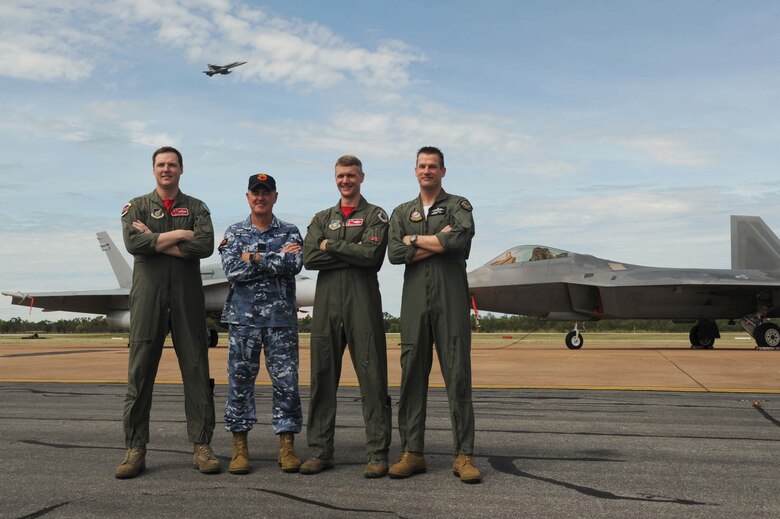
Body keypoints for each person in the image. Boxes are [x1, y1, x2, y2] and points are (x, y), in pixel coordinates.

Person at [115, 146, 220, 479]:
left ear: (181, 169)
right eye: (161, 164)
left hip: (188, 297)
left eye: (172, 164)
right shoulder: (137, 206)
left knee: (196, 370)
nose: (166, 169)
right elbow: (133, 244)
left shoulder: (197, 207)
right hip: (149, 296)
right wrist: (177, 235)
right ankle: (135, 449)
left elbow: (204, 246)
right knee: (140, 372)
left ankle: (202, 445)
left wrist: (156, 240)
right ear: (153, 169)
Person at [386, 146, 481, 484]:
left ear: (443, 171)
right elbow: (395, 252)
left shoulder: (458, 205)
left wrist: (415, 240)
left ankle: (464, 454)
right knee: (411, 372)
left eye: (433, 166)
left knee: (458, 374)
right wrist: (435, 241)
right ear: (415, 171)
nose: (427, 171)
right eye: (422, 166)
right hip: (414, 301)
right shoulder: (401, 211)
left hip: (451, 297)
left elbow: (458, 240)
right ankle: (412, 452)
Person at [300, 155, 392, 477]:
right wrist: (345, 249)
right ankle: (320, 451)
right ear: (335, 178)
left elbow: (372, 256)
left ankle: (378, 453)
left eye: (351, 175)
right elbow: (309, 257)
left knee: (373, 378)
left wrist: (331, 245)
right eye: (340, 175)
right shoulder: (322, 217)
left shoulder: (375, 215)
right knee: (322, 379)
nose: (345, 180)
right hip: (327, 306)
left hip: (362, 303)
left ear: (362, 177)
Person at [219, 173, 304, 475]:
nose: (260, 197)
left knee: (287, 384)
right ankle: (240, 447)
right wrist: (272, 257)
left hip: (280, 322)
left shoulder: (291, 231)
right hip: (243, 322)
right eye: (256, 192)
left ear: (275, 197)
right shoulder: (234, 231)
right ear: (248, 196)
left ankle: (287, 445)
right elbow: (231, 269)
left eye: (266, 192)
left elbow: (293, 265)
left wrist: (251, 256)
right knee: (240, 383)